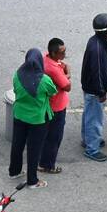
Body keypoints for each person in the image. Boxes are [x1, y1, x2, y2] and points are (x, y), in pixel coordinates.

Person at [9, 48, 57, 190]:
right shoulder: (44, 80)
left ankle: (14, 171)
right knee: (34, 149)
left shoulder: (17, 75)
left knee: (17, 144)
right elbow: (52, 92)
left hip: (19, 115)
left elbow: (16, 90)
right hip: (37, 119)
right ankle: (32, 180)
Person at [81, 13, 107, 163]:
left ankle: (88, 139)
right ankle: (92, 148)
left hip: (90, 88)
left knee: (89, 115)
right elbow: (98, 73)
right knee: (94, 120)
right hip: (95, 91)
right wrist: (101, 92)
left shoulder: (96, 42)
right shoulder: (98, 48)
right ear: (105, 31)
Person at [40, 37, 71, 174]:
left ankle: (42, 159)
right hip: (57, 107)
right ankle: (47, 165)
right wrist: (68, 73)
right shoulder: (53, 69)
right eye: (62, 52)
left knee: (46, 134)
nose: (64, 55)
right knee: (54, 137)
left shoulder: (45, 59)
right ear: (53, 53)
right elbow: (67, 86)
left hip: (48, 105)